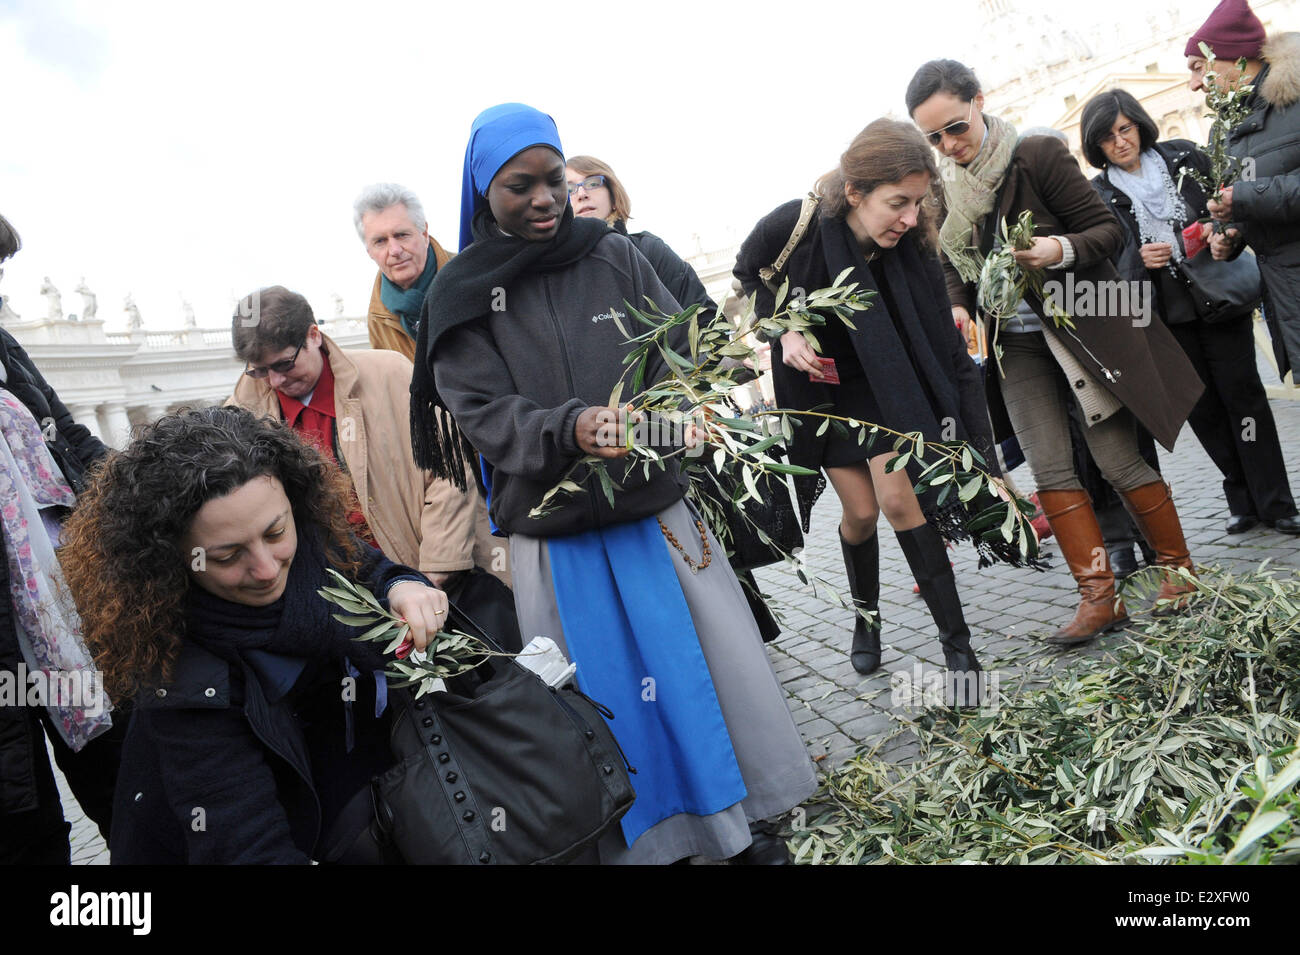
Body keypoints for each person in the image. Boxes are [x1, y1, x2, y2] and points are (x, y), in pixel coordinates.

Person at [412, 102, 816, 865]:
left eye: (553, 180)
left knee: (701, 673)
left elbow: (674, 357)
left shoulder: (612, 254)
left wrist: (680, 414)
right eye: (517, 185)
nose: (542, 199)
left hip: (651, 514)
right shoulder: (461, 292)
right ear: (480, 194)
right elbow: (483, 413)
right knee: (604, 696)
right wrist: (571, 429)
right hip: (556, 535)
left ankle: (736, 829)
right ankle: (649, 847)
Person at [59, 407, 448, 863]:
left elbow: (371, 569)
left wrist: (404, 586)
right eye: (226, 556)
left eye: (276, 532)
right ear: (170, 559)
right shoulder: (184, 681)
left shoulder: (315, 543)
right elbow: (248, 846)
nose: (266, 569)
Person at [907, 59, 1204, 645]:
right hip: (1017, 348)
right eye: (934, 136)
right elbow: (948, 261)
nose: (949, 144)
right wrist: (958, 304)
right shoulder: (944, 187)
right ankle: (1099, 598)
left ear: (979, 102)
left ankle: (1180, 572)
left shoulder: (1037, 154)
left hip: (1082, 331)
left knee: (1117, 461)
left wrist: (1058, 249)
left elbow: (1105, 231)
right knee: (1048, 469)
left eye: (956, 128)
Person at [734, 118, 994, 687]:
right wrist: (785, 331)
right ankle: (866, 620)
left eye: (917, 203)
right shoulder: (792, 224)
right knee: (861, 512)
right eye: (896, 203)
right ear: (855, 193)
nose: (910, 217)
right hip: (820, 390)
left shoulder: (911, 242)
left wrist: (976, 440)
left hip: (883, 383)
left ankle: (959, 649)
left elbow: (943, 343)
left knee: (901, 500)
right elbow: (748, 277)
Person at [565, 155, 783, 643]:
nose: (579, 194)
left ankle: (740, 634)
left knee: (701, 524)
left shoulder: (647, 250)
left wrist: (707, 384)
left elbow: (700, 318)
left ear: (613, 191)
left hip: (671, 413)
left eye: (590, 183)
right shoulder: (563, 276)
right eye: (568, 188)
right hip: (609, 425)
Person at [1082, 88, 1299, 537]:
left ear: (1139, 124)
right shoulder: (1098, 193)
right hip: (1163, 315)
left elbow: (1227, 208)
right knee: (1203, 410)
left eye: (1125, 129)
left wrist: (1226, 235)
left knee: (1245, 401)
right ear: (1095, 145)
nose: (1121, 142)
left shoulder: (1185, 158)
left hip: (1218, 297)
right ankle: (1240, 497)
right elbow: (1105, 259)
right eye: (1108, 137)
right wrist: (1140, 261)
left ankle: (1276, 501)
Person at [227, 286, 515, 621]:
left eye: (285, 364)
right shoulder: (239, 415)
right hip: (345, 609)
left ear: (314, 335)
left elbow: (449, 471)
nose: (275, 381)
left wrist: (434, 572)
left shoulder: (391, 373)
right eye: (259, 371)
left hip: (443, 586)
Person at [0, 212, 122, 864]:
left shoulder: (5, 350)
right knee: (30, 832)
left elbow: (72, 442)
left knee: (123, 793)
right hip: (8, 645)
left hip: (69, 620)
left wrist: (156, 489)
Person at [353, 183, 504, 582]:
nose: (394, 250)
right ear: (368, 250)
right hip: (447, 468)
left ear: (424, 231)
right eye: (380, 241)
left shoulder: (472, 273)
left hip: (503, 445)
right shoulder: (378, 317)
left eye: (402, 234)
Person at [1185, 2, 1300, 392]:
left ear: (1231, 57)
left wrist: (1245, 198)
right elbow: (1249, 206)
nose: (1194, 85)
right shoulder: (1224, 130)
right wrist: (1230, 233)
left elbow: (1254, 193)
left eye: (1198, 68)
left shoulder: (1295, 96)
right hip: (1287, 301)